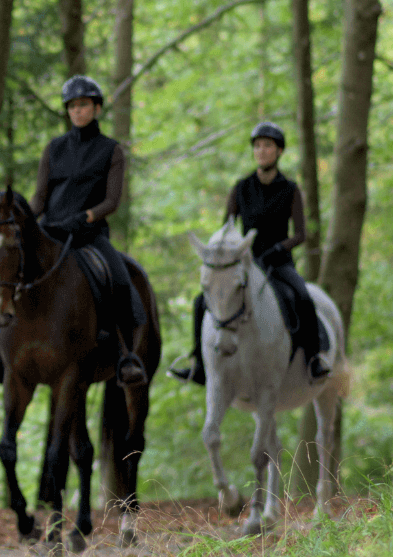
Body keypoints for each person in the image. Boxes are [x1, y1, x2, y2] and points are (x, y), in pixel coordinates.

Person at [171, 121, 327, 385]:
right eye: (257, 146)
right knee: (200, 301)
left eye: (268, 146)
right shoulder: (241, 187)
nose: (262, 150)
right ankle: (198, 362)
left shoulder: (290, 190)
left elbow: (300, 234)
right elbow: (227, 228)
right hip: (244, 262)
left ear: (279, 151)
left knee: (301, 295)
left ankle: (314, 358)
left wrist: (279, 248)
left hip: (278, 263)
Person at [28, 75, 147, 386]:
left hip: (89, 235)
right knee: (14, 274)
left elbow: (112, 201)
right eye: (72, 106)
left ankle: (126, 355)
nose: (78, 111)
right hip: (51, 232)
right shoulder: (53, 149)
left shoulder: (111, 150)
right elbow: (40, 198)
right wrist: (25, 220)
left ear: (96, 108)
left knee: (120, 279)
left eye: (83, 105)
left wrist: (86, 217)